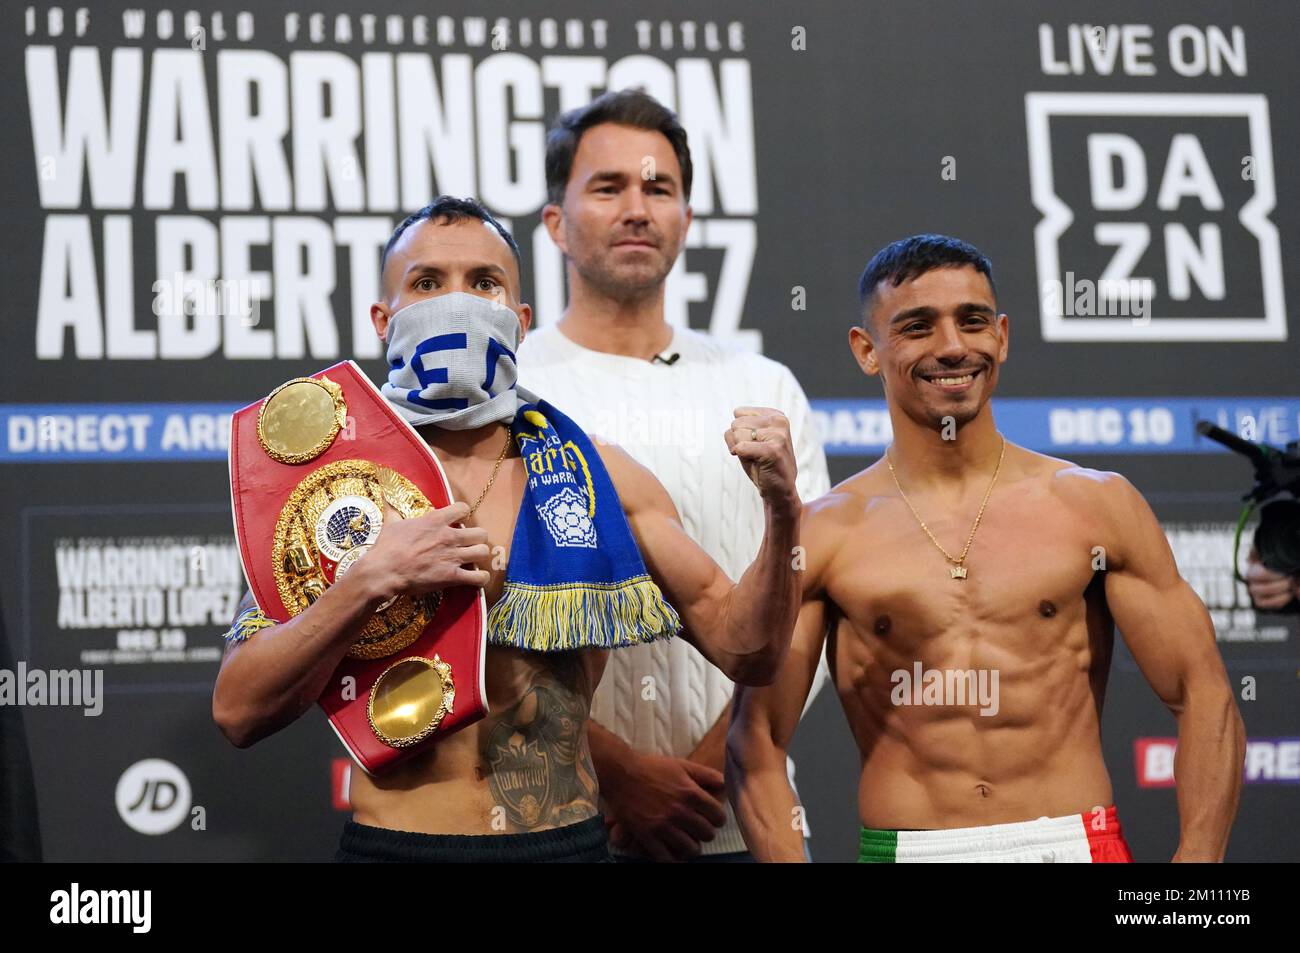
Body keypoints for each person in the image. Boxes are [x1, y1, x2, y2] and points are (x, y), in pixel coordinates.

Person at [212, 197, 803, 863]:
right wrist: (369, 582)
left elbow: (747, 651)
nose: (457, 301)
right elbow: (240, 710)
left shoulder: (597, 475)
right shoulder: (331, 485)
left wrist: (783, 512)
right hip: (397, 847)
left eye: (484, 282)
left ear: (520, 320)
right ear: (383, 319)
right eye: (428, 282)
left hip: (562, 846)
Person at [727, 234, 1245, 863]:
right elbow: (757, 740)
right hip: (908, 848)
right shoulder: (825, 533)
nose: (952, 347)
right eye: (917, 326)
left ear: (1001, 335)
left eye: (972, 321)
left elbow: (1203, 693)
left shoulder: (1096, 506)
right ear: (867, 350)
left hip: (1073, 843)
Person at [517, 89, 831, 862]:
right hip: (556, 820)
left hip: (737, 819)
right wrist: (612, 770)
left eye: (659, 188)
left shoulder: (767, 386)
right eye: (608, 186)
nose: (637, 208)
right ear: (555, 222)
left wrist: (714, 764)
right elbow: (479, 619)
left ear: (686, 219)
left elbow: (810, 593)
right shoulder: (511, 388)